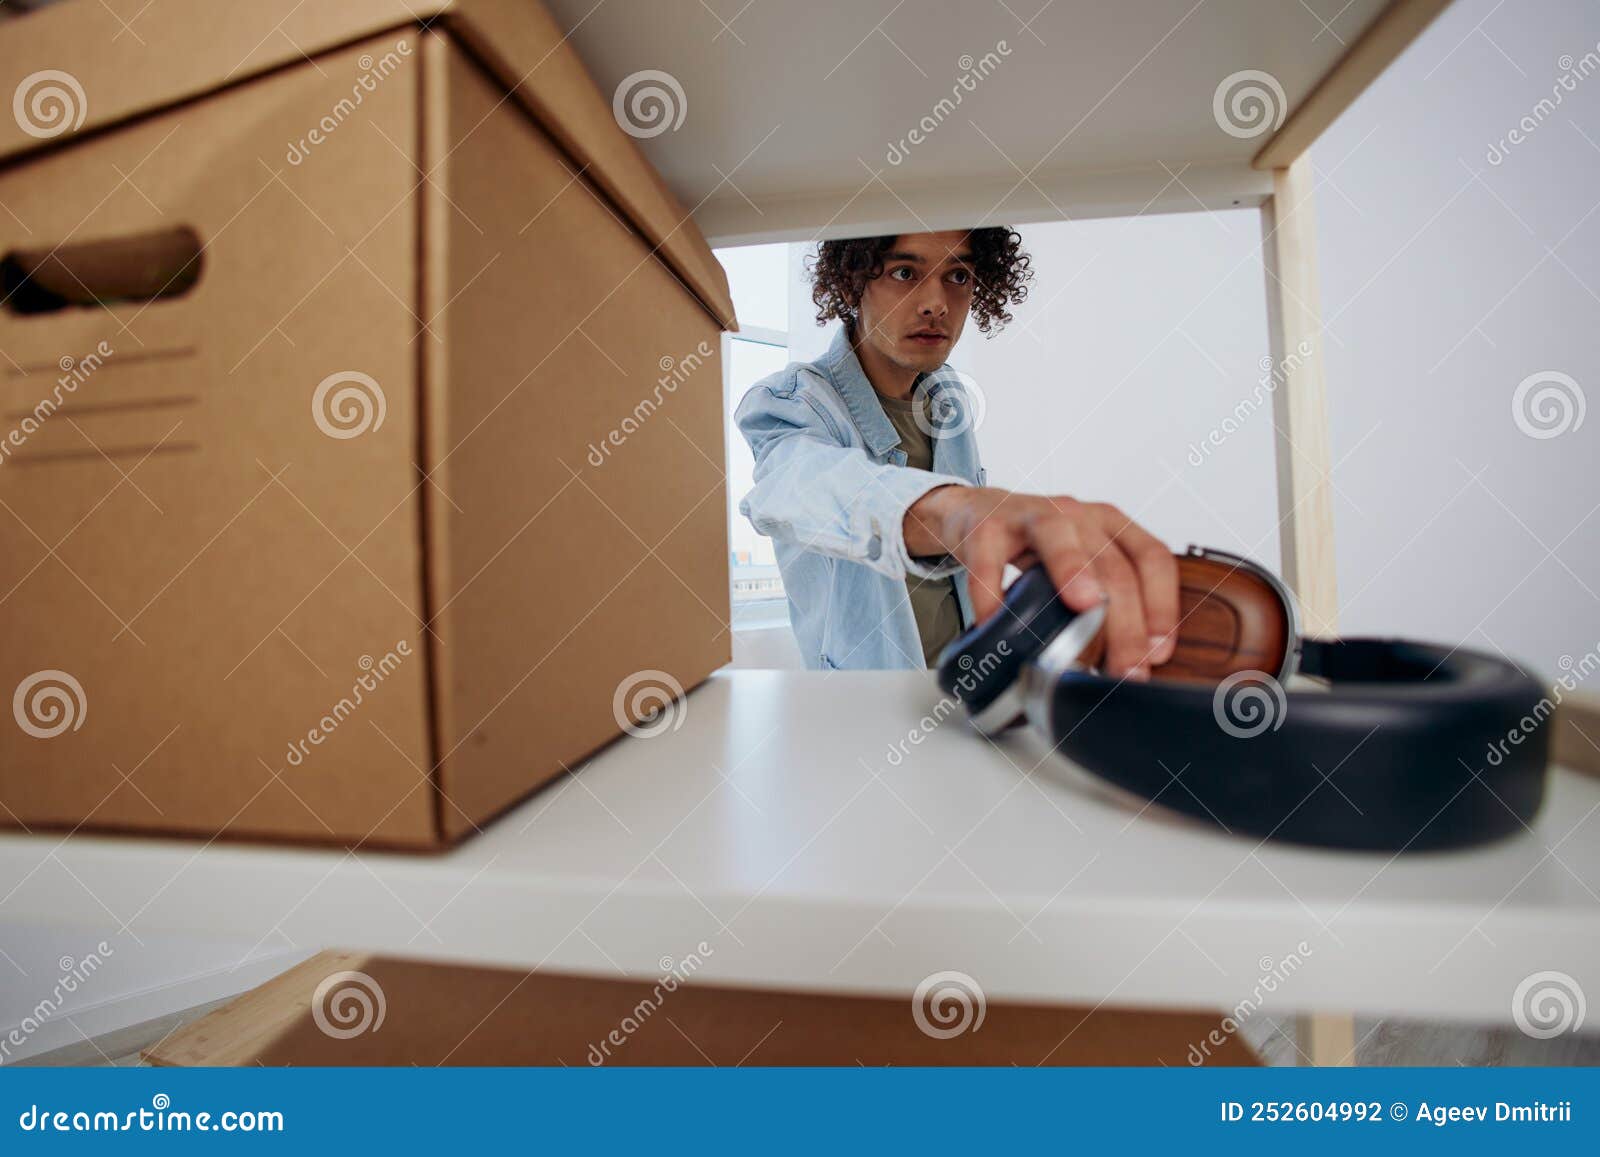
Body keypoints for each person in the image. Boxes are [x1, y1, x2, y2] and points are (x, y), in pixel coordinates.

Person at [734, 228, 1180, 677]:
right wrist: (953, 510)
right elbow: (795, 484)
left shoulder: (949, 400)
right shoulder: (793, 399)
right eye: (904, 272)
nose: (937, 303)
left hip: (962, 690)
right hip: (864, 709)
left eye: (958, 276)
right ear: (853, 280)